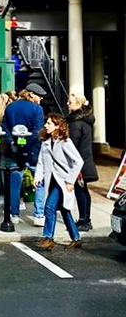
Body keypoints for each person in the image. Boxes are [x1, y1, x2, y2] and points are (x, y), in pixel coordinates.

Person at [35, 114, 85, 250]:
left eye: (49, 123)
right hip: (51, 180)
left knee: (49, 207)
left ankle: (48, 238)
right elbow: (40, 162)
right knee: (64, 210)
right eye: (46, 123)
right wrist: (37, 177)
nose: (46, 125)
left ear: (57, 126)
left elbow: (79, 161)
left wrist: (70, 181)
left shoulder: (65, 142)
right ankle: (76, 238)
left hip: (62, 182)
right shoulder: (45, 143)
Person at [2, 83, 46, 225]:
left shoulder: (10, 107)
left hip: (15, 152)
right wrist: (26, 145)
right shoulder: (37, 109)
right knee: (39, 182)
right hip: (33, 151)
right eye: (39, 96)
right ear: (31, 95)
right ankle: (39, 215)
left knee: (14, 183)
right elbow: (37, 131)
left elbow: (5, 129)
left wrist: (13, 144)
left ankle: (14, 214)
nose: (41, 99)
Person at [67, 92, 98, 232]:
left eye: (70, 102)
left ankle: (83, 220)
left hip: (79, 163)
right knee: (84, 191)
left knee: (80, 191)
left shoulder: (76, 122)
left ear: (79, 104)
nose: (68, 104)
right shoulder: (86, 120)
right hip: (85, 161)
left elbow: (72, 144)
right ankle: (86, 219)